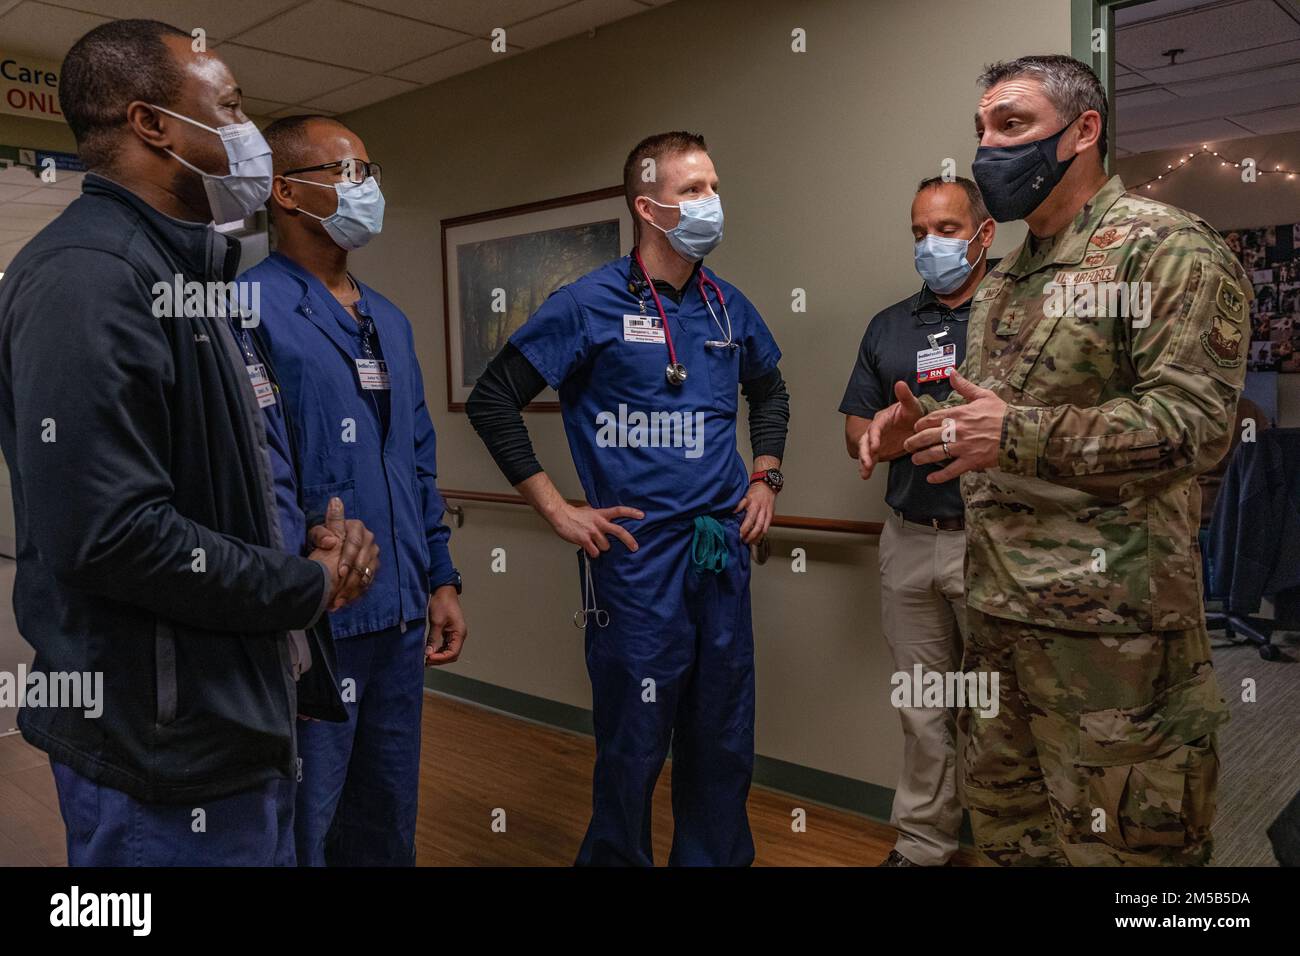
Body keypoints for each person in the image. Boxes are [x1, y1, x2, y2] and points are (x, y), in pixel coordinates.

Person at [0, 19, 378, 866]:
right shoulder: (89, 278)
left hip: (237, 719)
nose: (248, 131)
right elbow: (111, 536)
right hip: (158, 750)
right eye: (232, 106)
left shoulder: (194, 279)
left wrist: (305, 535)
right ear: (153, 124)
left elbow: (220, 470)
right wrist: (299, 583)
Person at [861, 55, 1248, 866]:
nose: (987, 150)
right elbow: (1001, 412)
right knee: (1011, 846)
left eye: (1012, 126)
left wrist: (1016, 434)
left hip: (1116, 651)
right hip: (1001, 632)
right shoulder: (1007, 281)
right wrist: (932, 425)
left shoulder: (1164, 249)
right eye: (980, 131)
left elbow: (1196, 426)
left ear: (1083, 130)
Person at [466, 131, 789, 866]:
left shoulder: (727, 307)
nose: (713, 203)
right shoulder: (587, 303)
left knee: (721, 734)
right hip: (638, 558)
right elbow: (494, 400)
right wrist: (556, 508)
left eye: (715, 186)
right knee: (635, 741)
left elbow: (769, 389)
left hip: (721, 551)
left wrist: (766, 475)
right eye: (694, 191)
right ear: (649, 207)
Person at [241, 115, 467, 867]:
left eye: (369, 172)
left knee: (385, 816)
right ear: (284, 192)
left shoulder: (390, 324)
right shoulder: (248, 311)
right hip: (318, 621)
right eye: (346, 173)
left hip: (399, 617)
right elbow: (249, 472)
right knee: (308, 818)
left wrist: (440, 577)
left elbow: (417, 462)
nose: (365, 189)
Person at [841, 176, 994, 867]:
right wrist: (907, 431)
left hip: (994, 543)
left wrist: (923, 427)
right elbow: (858, 437)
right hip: (909, 539)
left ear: (984, 234)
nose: (930, 245)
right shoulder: (890, 325)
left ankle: (1009, 847)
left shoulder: (1018, 313)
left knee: (1001, 710)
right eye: (918, 232)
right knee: (924, 708)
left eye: (947, 230)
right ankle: (925, 847)